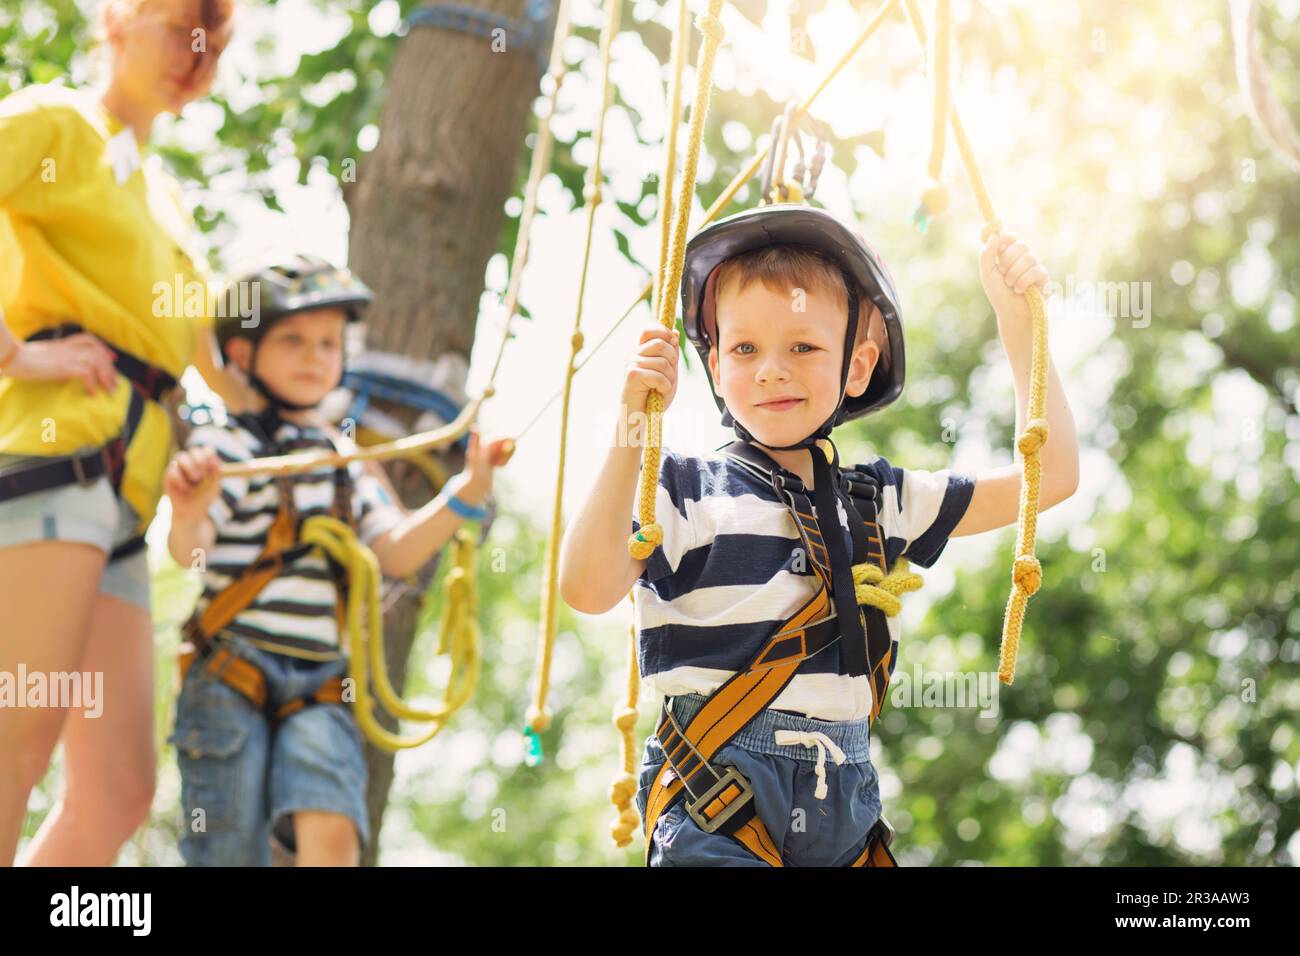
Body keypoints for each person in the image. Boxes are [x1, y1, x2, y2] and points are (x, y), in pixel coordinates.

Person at [559, 204, 1080, 865]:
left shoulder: (880, 501)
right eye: (745, 348)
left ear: (856, 367)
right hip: (716, 802)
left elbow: (1052, 475)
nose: (771, 369)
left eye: (802, 346)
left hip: (846, 808)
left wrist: (1019, 325)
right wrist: (628, 433)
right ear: (715, 364)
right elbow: (585, 587)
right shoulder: (681, 490)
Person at [165, 255, 511, 865]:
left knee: (334, 834)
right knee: (226, 844)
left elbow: (396, 549)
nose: (313, 356)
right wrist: (190, 510)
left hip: (320, 678)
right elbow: (191, 552)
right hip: (230, 670)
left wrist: (468, 491)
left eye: (328, 343)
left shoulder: (343, 460)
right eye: (292, 340)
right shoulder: (229, 446)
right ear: (243, 355)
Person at [0, 0, 242, 866]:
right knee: (12, 747)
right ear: (117, 20)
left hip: (127, 500)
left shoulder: (166, 201)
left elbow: (222, 368)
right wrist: (18, 355)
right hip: (50, 461)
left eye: (216, 37)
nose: (198, 49)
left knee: (117, 795)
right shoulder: (52, 119)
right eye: (182, 23)